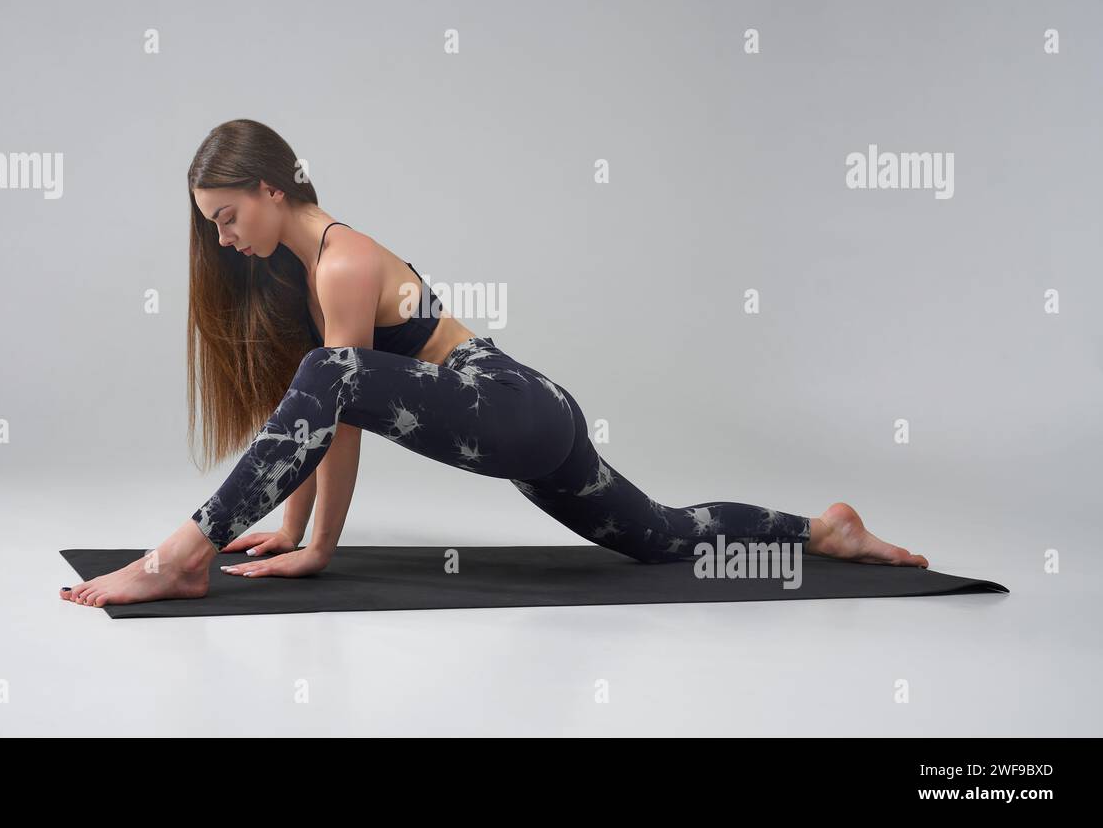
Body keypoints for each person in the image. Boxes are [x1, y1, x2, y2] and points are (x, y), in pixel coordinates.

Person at [60, 120, 928, 607]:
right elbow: (323, 416)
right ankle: (822, 529)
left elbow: (342, 404)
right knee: (662, 535)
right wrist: (289, 531)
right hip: (527, 425)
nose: (222, 236)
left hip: (511, 405)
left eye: (224, 215)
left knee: (331, 375)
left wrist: (318, 543)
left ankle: (180, 552)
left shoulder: (344, 259)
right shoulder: (314, 268)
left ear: (269, 191)